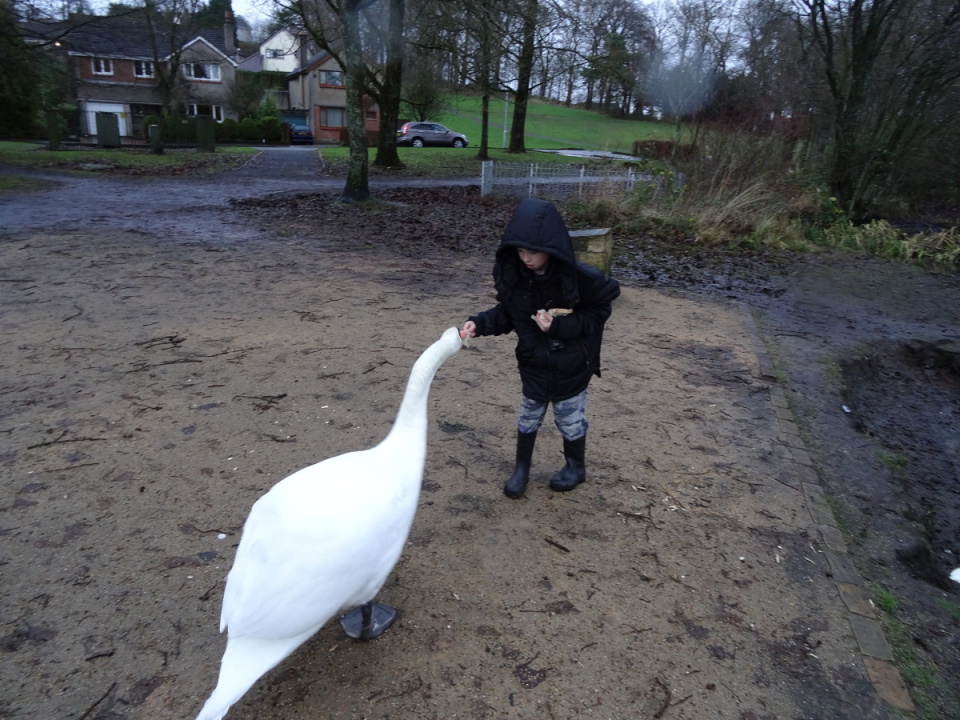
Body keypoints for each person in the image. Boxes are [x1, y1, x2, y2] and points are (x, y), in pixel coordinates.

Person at [462, 198, 620, 499]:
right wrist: (478, 324)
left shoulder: (580, 279)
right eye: (520, 251)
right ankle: (521, 469)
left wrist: (560, 326)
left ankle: (576, 466)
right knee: (528, 416)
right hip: (534, 364)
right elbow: (508, 313)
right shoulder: (517, 278)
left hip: (572, 365)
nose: (526, 258)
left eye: (532, 251)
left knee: (569, 420)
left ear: (550, 248)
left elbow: (599, 312)